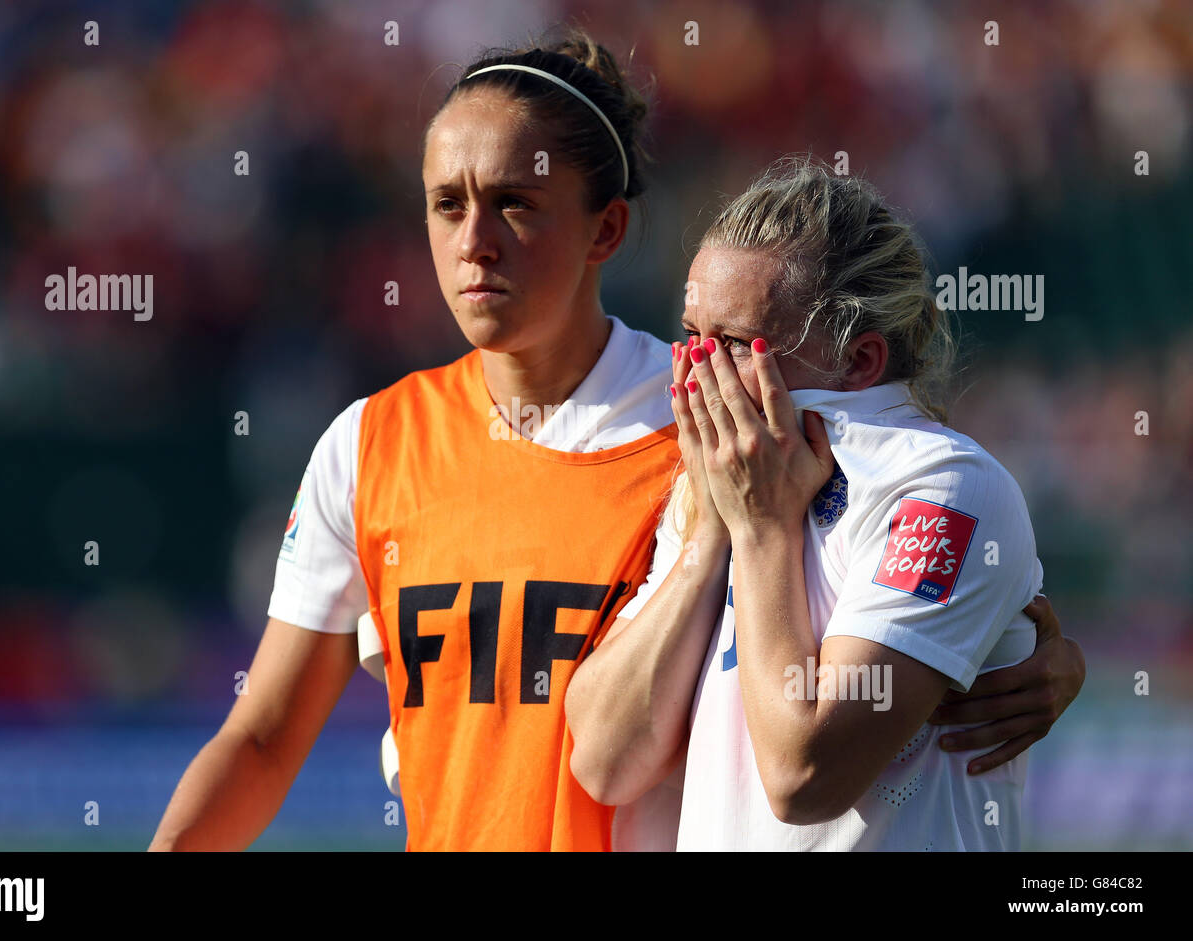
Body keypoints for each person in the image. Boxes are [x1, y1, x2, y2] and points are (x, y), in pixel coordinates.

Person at [149, 34, 1082, 853]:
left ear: (608, 229)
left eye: (515, 201)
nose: (474, 241)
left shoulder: (708, 425)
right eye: (445, 203)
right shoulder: (369, 443)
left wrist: (1035, 653)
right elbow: (263, 738)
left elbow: (900, 538)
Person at [567, 157, 1080, 850]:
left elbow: (802, 774)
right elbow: (603, 760)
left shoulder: (945, 486)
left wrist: (761, 533)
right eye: (690, 336)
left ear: (861, 361)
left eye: (729, 345)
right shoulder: (712, 486)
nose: (692, 374)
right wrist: (709, 537)